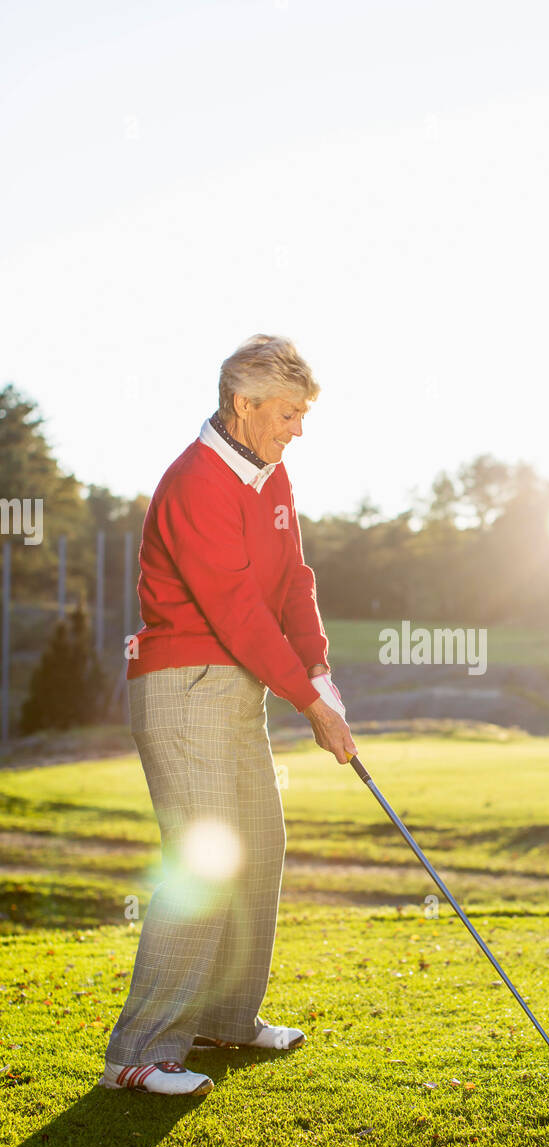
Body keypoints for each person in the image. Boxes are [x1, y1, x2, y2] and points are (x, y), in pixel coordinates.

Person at [101, 334, 356, 1096]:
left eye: (304, 413)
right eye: (287, 413)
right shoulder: (196, 483)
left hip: (238, 692)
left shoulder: (269, 475)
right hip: (183, 690)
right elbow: (240, 613)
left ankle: (225, 1019)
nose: (298, 429)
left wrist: (318, 669)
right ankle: (139, 1054)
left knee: (260, 851)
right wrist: (310, 705)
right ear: (241, 405)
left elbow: (292, 583)